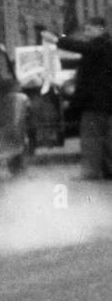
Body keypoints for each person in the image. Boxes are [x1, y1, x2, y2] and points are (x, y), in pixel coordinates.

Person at [57, 17, 112, 180]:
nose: (86, 33)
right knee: (107, 139)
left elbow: (80, 47)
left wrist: (58, 39)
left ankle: (90, 172)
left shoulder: (100, 45)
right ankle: (108, 170)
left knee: (91, 139)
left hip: (95, 102)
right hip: (105, 102)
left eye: (89, 29)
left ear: (100, 29)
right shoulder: (104, 45)